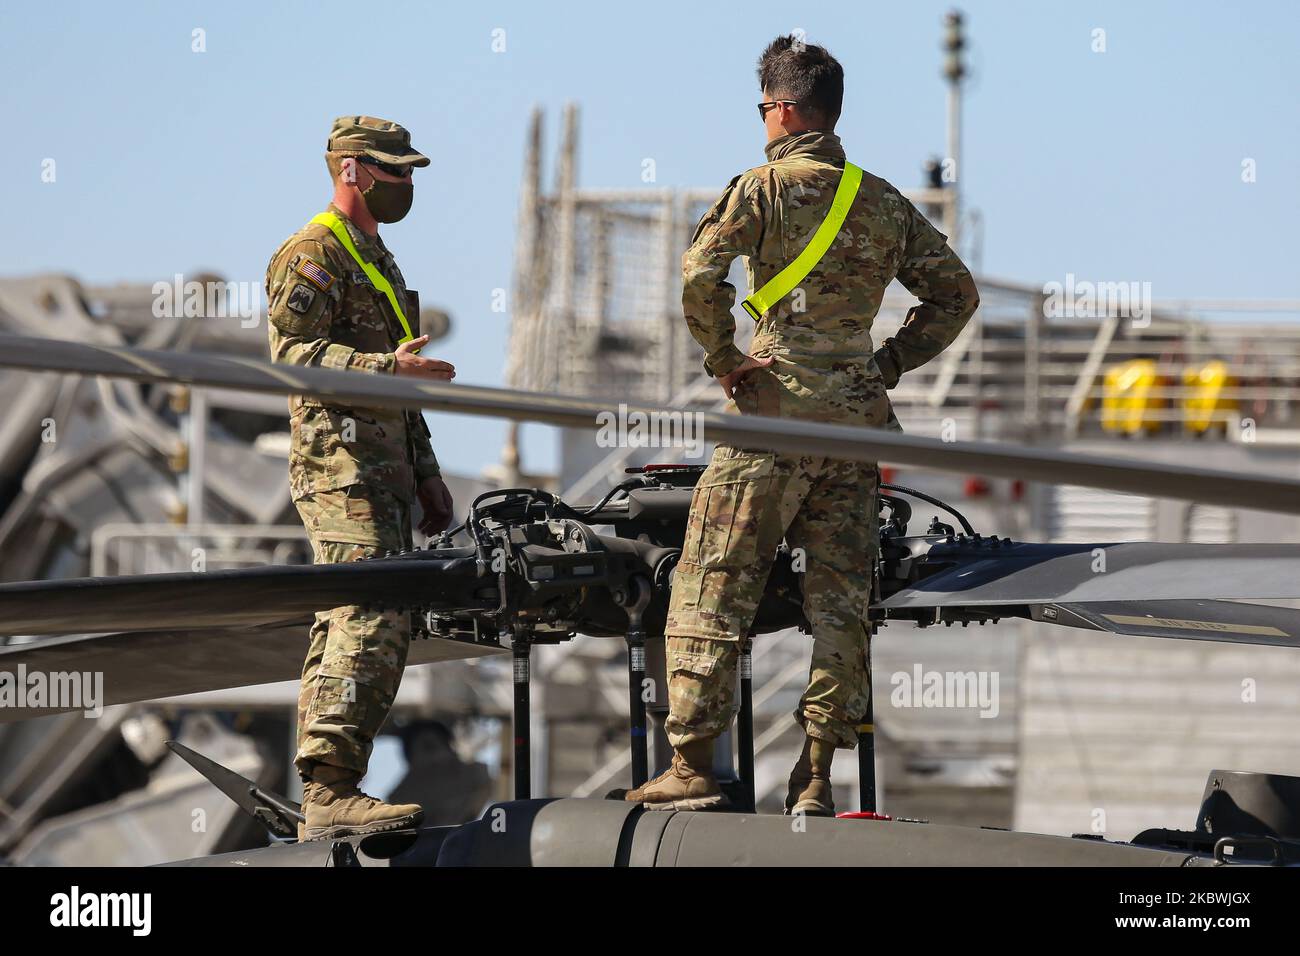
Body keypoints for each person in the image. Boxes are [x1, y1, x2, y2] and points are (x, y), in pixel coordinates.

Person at [623, 37, 979, 815]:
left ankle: (690, 764)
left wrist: (724, 358)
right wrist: (883, 367)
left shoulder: (763, 188)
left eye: (762, 107)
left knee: (714, 579)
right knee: (841, 599)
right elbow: (956, 295)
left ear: (782, 109)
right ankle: (816, 775)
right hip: (853, 425)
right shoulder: (882, 200)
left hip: (771, 415)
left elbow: (698, 273)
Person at [265, 115, 457, 840]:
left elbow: (398, 380)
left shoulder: (377, 258)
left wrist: (427, 472)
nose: (407, 183)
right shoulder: (313, 252)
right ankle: (332, 788)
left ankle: (331, 786)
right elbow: (291, 354)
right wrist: (388, 369)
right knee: (367, 612)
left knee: (369, 614)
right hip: (337, 467)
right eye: (394, 170)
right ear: (350, 170)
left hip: (383, 470)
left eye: (410, 171)